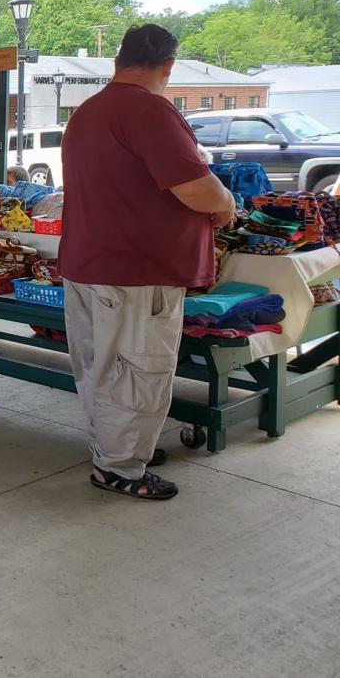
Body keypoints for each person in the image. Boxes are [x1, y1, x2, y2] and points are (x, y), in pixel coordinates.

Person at [59, 25, 235, 501]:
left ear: (118, 61)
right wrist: (227, 202)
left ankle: (115, 450)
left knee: (102, 369)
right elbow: (195, 187)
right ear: (167, 67)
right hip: (135, 272)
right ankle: (121, 468)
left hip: (90, 265)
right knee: (137, 371)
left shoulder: (89, 112)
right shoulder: (149, 110)